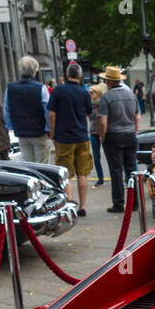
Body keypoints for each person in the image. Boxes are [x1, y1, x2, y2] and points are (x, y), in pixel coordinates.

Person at [47, 62, 94, 217]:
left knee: (65, 175)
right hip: (82, 137)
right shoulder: (84, 92)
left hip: (63, 138)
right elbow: (88, 114)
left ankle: (70, 205)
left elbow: (52, 115)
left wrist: (52, 134)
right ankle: (82, 206)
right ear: (80, 76)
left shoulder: (58, 91)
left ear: (67, 75)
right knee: (82, 173)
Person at [97, 65, 138, 212]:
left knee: (116, 170)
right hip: (130, 134)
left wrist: (102, 137)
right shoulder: (131, 95)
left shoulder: (106, 97)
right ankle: (134, 203)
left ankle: (119, 204)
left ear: (108, 81)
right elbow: (137, 116)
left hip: (113, 136)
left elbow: (103, 121)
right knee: (131, 169)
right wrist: (134, 131)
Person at [3, 55, 50, 163]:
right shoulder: (41, 88)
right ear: (35, 71)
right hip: (39, 131)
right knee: (42, 164)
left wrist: (11, 126)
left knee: (28, 163)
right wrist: (49, 129)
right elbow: (47, 111)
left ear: (20, 70)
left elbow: (7, 110)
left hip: (21, 131)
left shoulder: (10, 88)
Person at [88, 83, 106, 186]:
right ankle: (100, 178)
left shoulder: (103, 103)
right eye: (89, 92)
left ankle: (114, 177)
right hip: (93, 133)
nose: (90, 94)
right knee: (96, 157)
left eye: (92, 92)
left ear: (97, 92)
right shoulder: (89, 105)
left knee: (109, 156)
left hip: (103, 132)